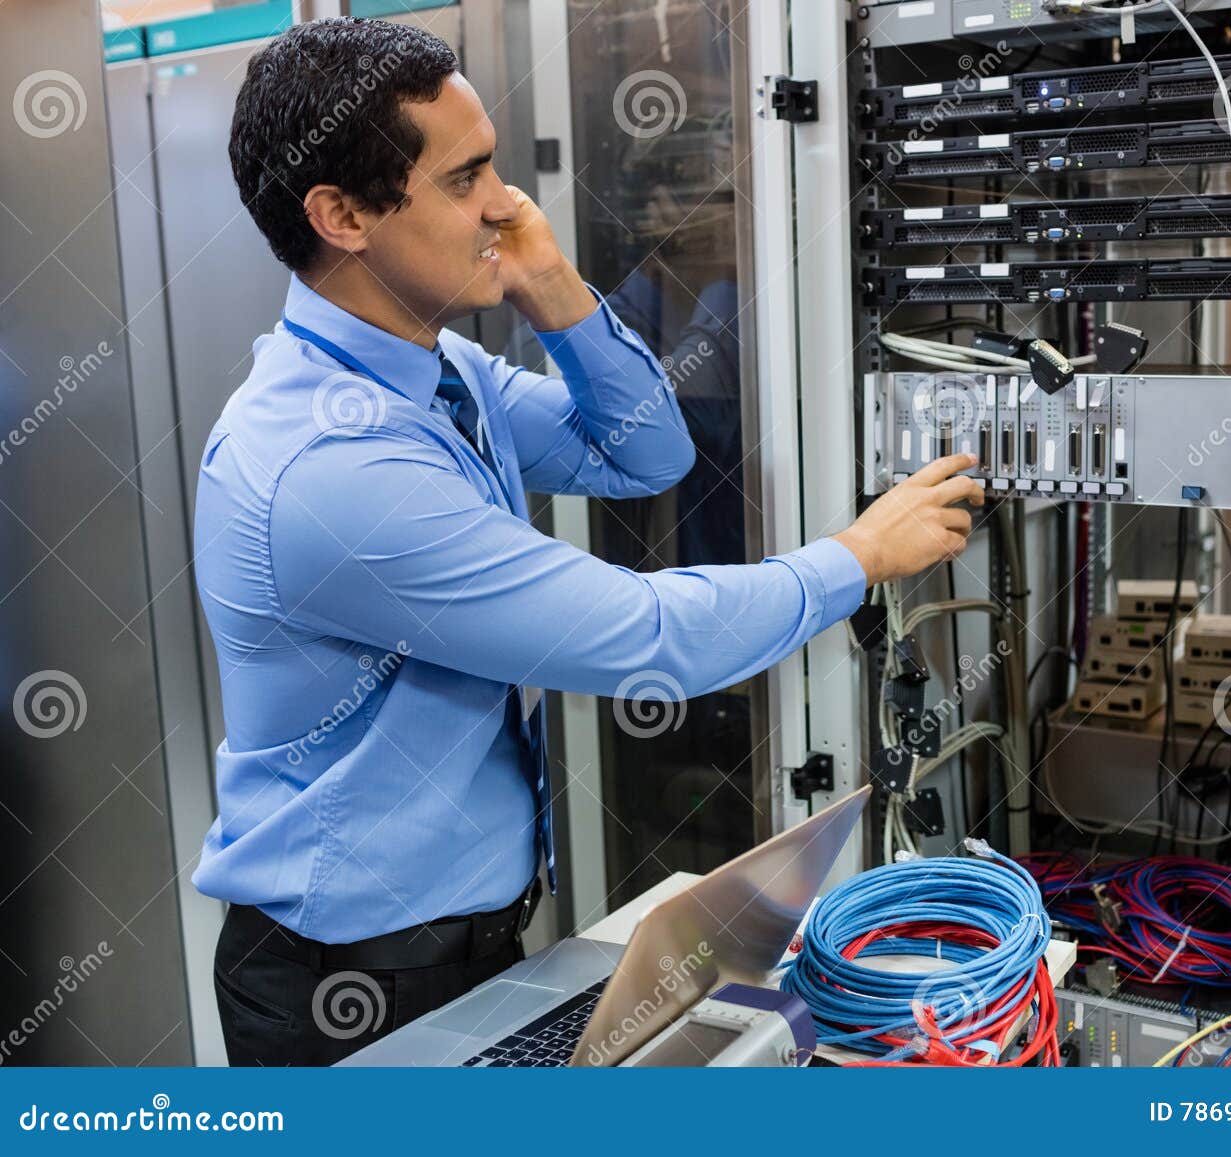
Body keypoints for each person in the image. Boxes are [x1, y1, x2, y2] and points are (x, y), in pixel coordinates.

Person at [192, 17, 981, 1065]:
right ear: (341, 216)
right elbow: (647, 637)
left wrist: (552, 285)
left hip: (464, 943)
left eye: (494, 166)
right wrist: (861, 556)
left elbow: (644, 451)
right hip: (346, 988)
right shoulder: (329, 467)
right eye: (465, 178)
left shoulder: (438, 372)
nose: (505, 204)